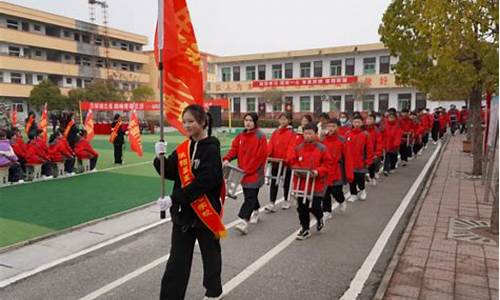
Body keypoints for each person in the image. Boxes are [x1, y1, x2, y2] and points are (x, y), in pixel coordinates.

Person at [153, 104, 224, 300]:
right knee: (177, 260)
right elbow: (171, 172)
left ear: (202, 122)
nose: (187, 125)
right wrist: (159, 158)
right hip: (183, 214)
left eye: (191, 121)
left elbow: (206, 181)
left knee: (210, 255)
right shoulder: (184, 149)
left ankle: (213, 292)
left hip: (205, 213)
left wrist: (173, 198)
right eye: (185, 122)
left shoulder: (211, 148)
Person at [223, 112, 268, 235]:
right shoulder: (241, 136)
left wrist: (249, 169)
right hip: (242, 172)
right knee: (250, 195)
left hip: (254, 173)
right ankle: (256, 209)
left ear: (255, 122)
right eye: (246, 120)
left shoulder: (260, 136)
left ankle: (243, 221)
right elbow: (234, 150)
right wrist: (227, 159)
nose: (248, 122)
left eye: (250, 120)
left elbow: (260, 156)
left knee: (249, 196)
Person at [288, 123, 333, 240]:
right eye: (305, 133)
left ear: (315, 133)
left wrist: (318, 171)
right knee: (302, 207)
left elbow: (328, 164)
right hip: (302, 183)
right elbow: (292, 161)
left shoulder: (322, 148)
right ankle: (305, 228)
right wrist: (296, 169)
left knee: (314, 206)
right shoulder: (298, 148)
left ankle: (319, 217)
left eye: (310, 133)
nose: (307, 136)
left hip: (317, 183)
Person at [322, 118, 353, 218]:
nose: (331, 128)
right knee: (325, 192)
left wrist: (348, 173)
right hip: (326, 170)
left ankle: (341, 200)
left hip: (337, 170)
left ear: (338, 128)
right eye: (329, 126)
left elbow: (347, 156)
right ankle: (327, 211)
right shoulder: (323, 140)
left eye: (333, 126)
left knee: (336, 191)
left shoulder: (342, 140)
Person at [265, 112, 295, 212]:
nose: (282, 121)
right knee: (274, 181)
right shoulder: (275, 132)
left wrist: (287, 158)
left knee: (286, 182)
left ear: (289, 121)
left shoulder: (291, 133)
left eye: (285, 119)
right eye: (281, 119)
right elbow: (271, 145)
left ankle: (286, 200)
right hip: (275, 161)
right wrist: (268, 155)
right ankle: (271, 202)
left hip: (286, 163)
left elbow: (291, 147)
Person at [345, 114, 373, 202]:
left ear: (362, 123)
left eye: (359, 122)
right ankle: (353, 194)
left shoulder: (365, 134)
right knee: (351, 179)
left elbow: (369, 149)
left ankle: (362, 190)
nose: (357, 124)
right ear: (352, 123)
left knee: (360, 178)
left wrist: (368, 160)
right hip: (350, 162)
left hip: (361, 162)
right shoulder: (348, 134)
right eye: (355, 122)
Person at [365, 113, 383, 186]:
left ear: (374, 121)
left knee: (371, 166)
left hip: (372, 152)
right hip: (362, 151)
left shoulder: (376, 130)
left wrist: (377, 153)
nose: (368, 120)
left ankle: (372, 177)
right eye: (367, 119)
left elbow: (379, 142)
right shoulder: (363, 128)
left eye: (370, 119)